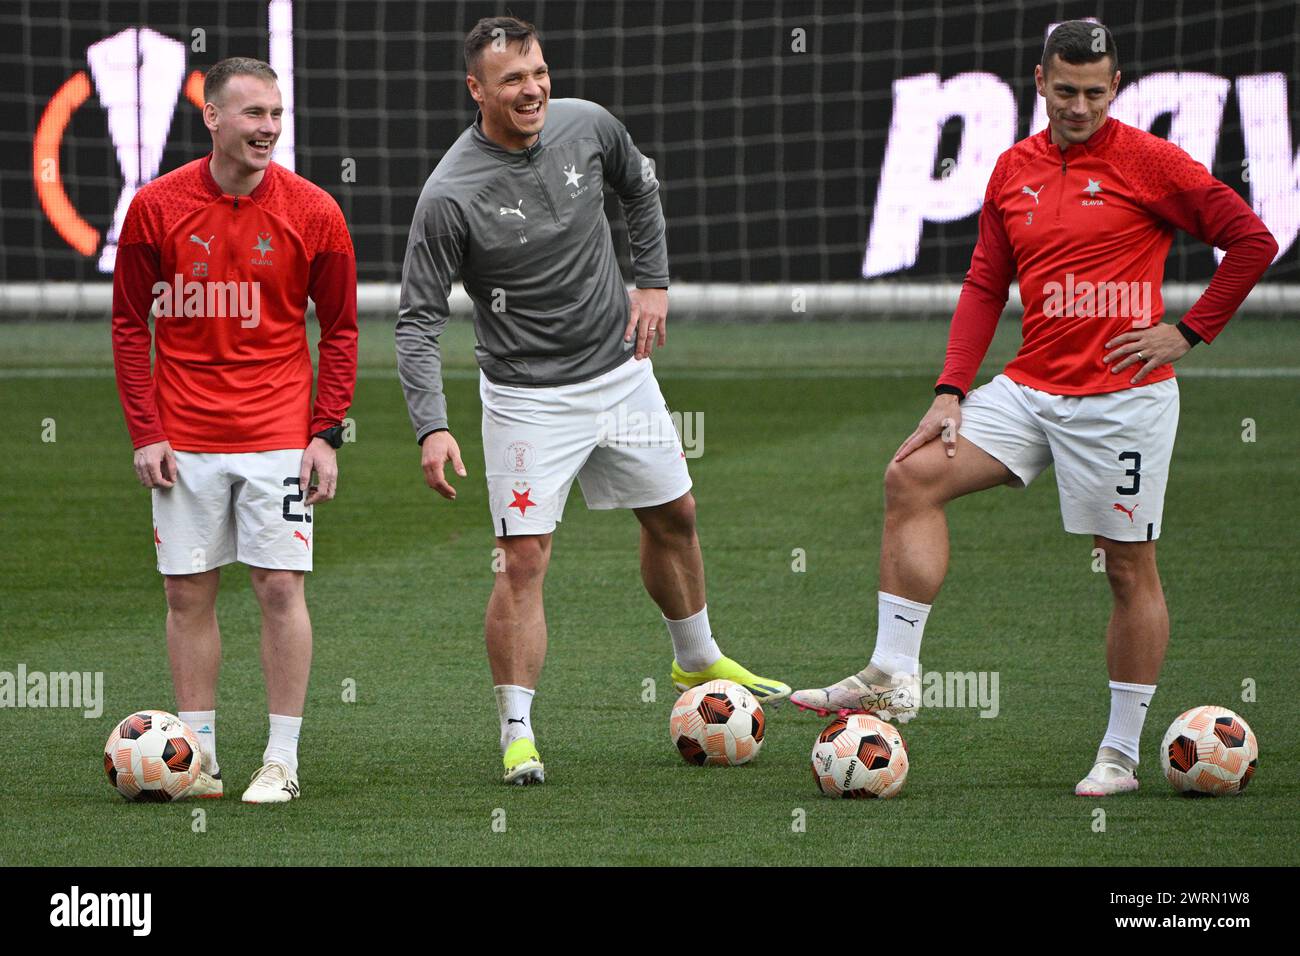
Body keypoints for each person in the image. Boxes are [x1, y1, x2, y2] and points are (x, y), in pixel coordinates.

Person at [791, 20, 1278, 796]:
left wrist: (1188, 332)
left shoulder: (1150, 161)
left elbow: (1251, 239)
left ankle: (1118, 755)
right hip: (1029, 389)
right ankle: (893, 670)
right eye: (1064, 89)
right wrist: (951, 389)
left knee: (1126, 569)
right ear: (1040, 80)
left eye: (1093, 92)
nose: (1078, 105)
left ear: (1116, 88)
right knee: (910, 476)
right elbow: (987, 282)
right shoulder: (1011, 168)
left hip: (1123, 402)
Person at [397, 16, 789, 786]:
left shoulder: (590, 126)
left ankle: (696, 658)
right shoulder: (450, 193)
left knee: (675, 514)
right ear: (476, 90)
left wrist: (652, 283)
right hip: (524, 398)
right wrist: (431, 427)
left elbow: (640, 190)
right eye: (512, 79)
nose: (533, 89)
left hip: (620, 371)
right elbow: (417, 320)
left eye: (538, 71)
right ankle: (517, 732)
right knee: (522, 561)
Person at [111, 57, 358, 803]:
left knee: (279, 587)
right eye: (253, 114)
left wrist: (326, 433)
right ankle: (199, 758)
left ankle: (281, 760)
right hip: (182, 439)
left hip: (280, 434)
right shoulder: (156, 207)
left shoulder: (315, 211)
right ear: (213, 117)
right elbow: (130, 325)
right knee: (188, 595)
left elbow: (341, 331)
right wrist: (145, 430)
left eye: (277, 114)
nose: (269, 128)